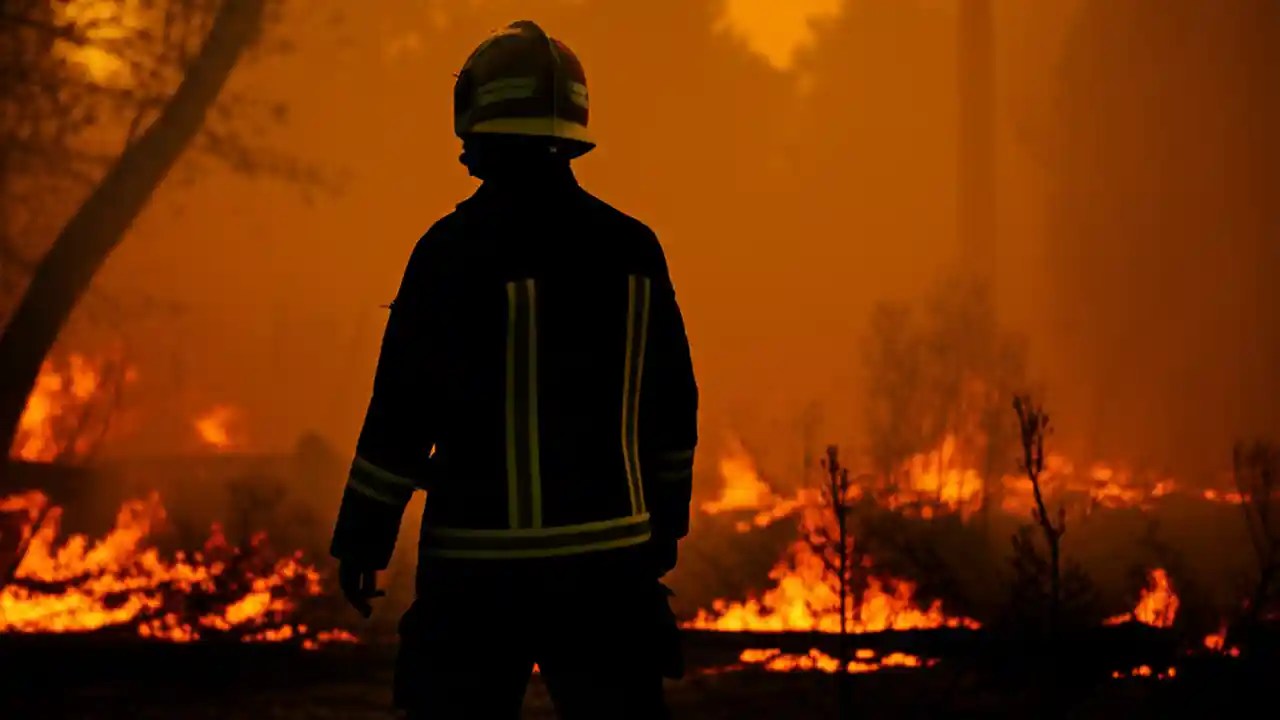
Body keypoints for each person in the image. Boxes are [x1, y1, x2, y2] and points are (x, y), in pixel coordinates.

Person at [328, 19, 698, 720]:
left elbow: (399, 417)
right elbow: (672, 408)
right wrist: (664, 527)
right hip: (609, 574)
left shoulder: (449, 252)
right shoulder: (633, 250)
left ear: (476, 120)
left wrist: (363, 539)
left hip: (476, 574)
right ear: (575, 117)